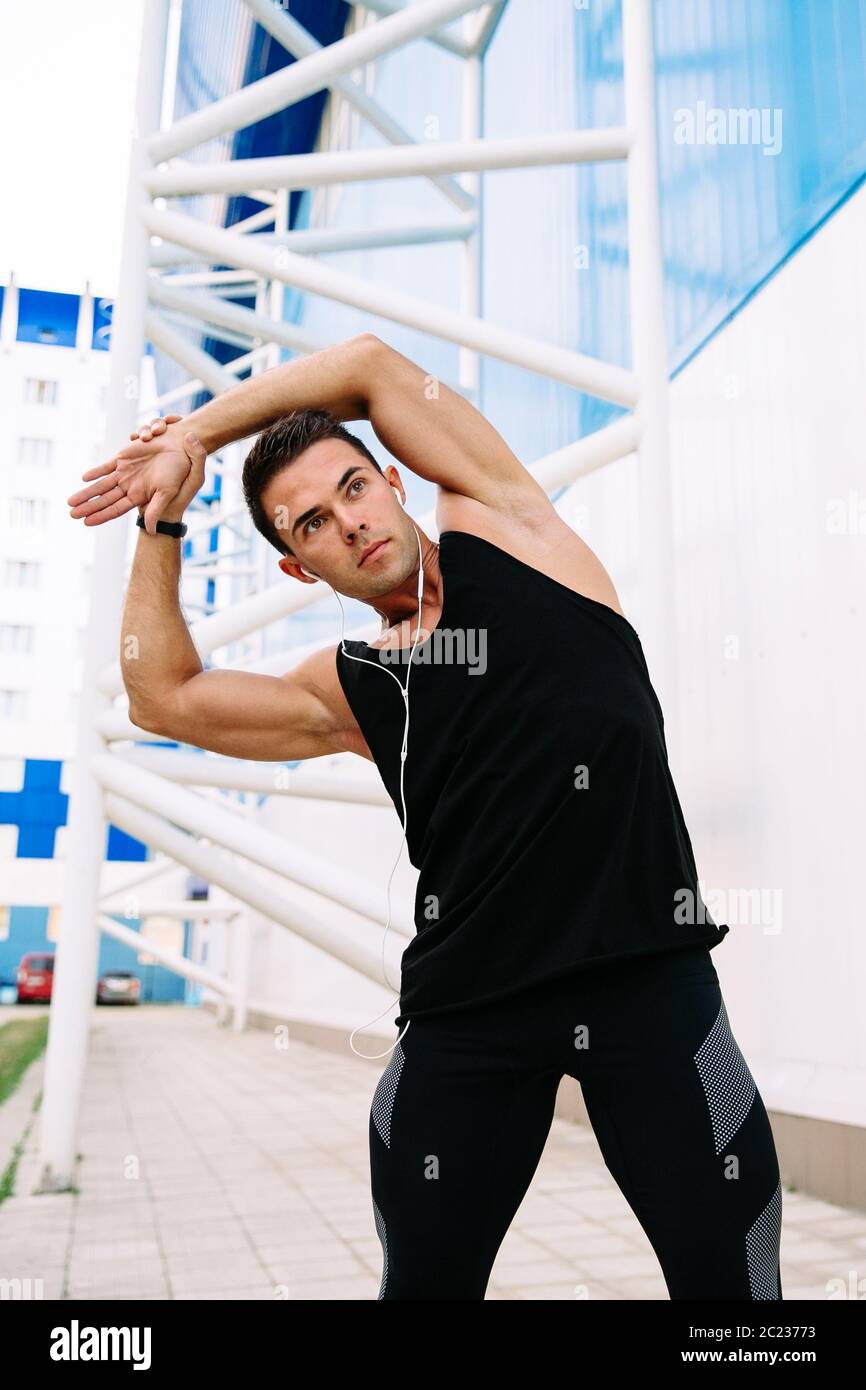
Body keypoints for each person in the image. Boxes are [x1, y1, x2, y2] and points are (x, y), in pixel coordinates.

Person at [67, 332, 783, 1301]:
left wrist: (192, 433)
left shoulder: (514, 531)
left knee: (737, 1304)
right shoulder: (351, 688)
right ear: (298, 569)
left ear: (394, 479)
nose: (347, 522)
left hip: (648, 990)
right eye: (310, 523)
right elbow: (164, 698)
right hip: (467, 1019)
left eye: (353, 488)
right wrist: (161, 520)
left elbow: (364, 363)